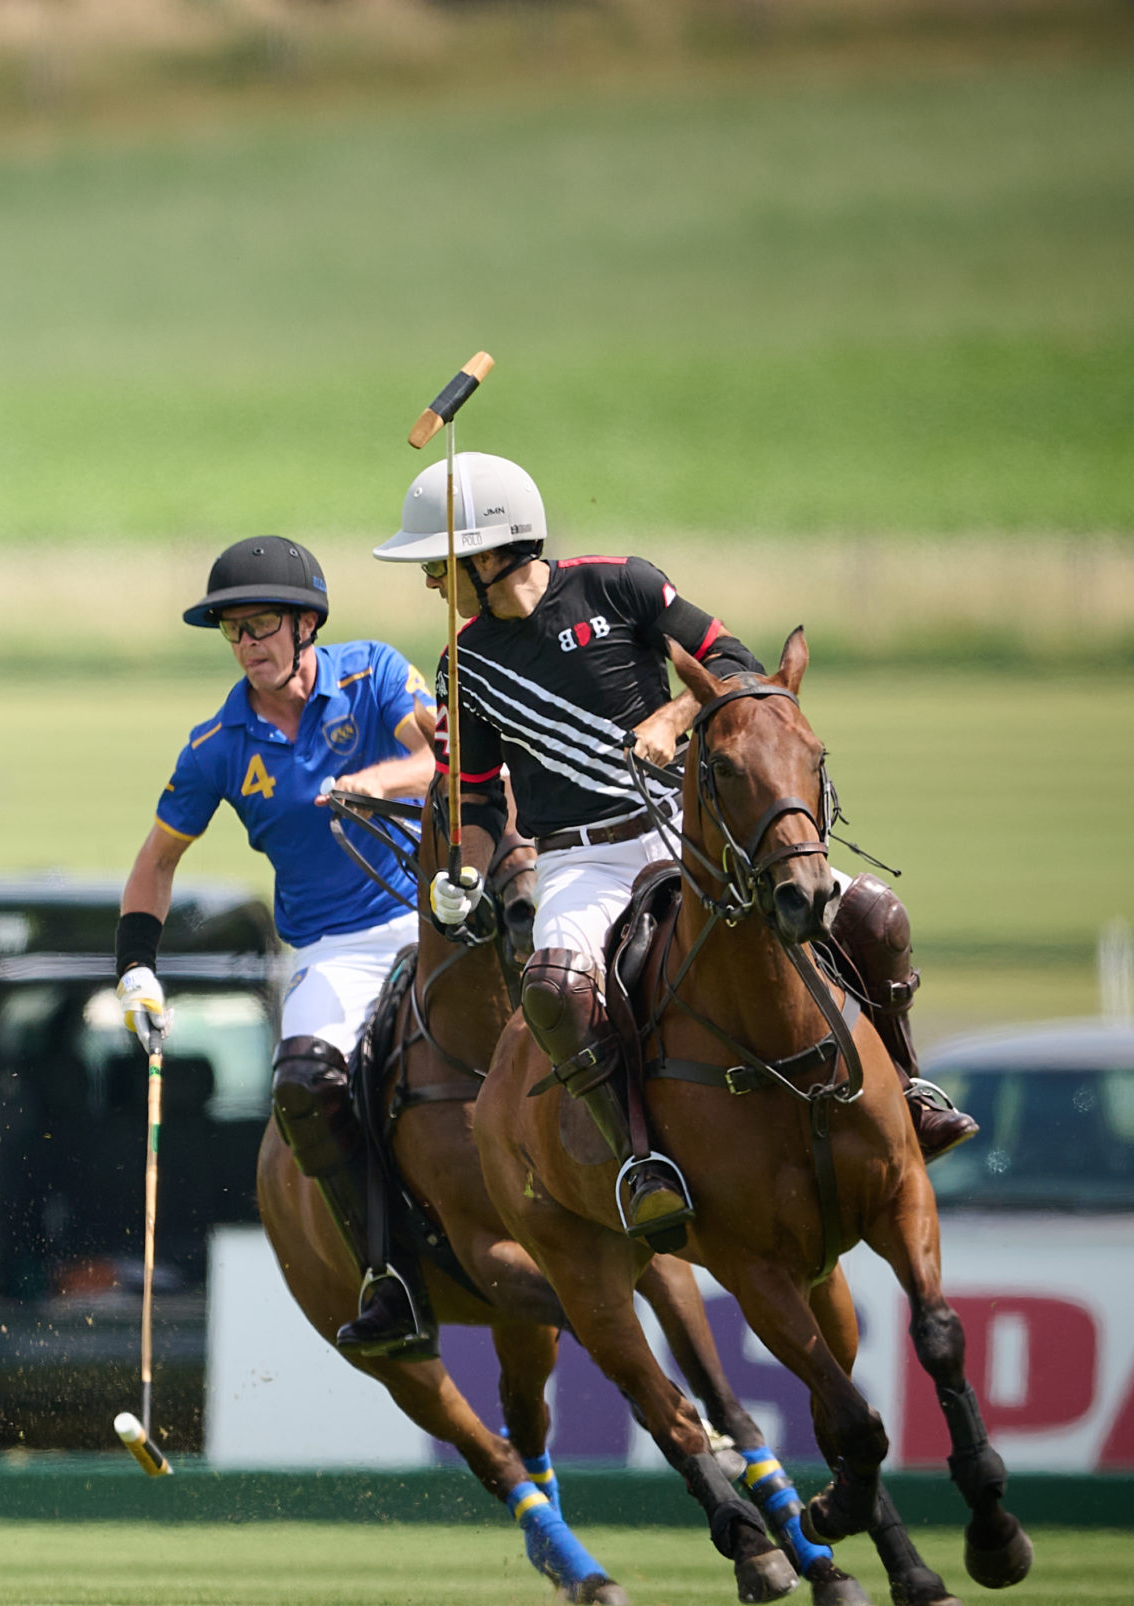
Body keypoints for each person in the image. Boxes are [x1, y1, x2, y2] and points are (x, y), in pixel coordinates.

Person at [372, 452, 975, 1245]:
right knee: (553, 993)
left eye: (438, 565)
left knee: (871, 914)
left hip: (683, 827)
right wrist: (467, 872)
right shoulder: (467, 663)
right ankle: (640, 1159)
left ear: (491, 554)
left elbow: (737, 666)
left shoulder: (621, 583)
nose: (429, 583)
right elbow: (477, 792)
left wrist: (674, 715)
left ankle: (906, 1085)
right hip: (577, 859)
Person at [114, 536, 439, 1355]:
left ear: (305, 623)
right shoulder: (216, 745)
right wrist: (135, 971)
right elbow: (156, 861)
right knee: (301, 1087)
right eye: (233, 630)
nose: (247, 644)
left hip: (437, 907)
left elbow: (440, 758)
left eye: (260, 625)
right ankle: (387, 1272)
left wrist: (374, 782)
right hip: (335, 947)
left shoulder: (372, 674)